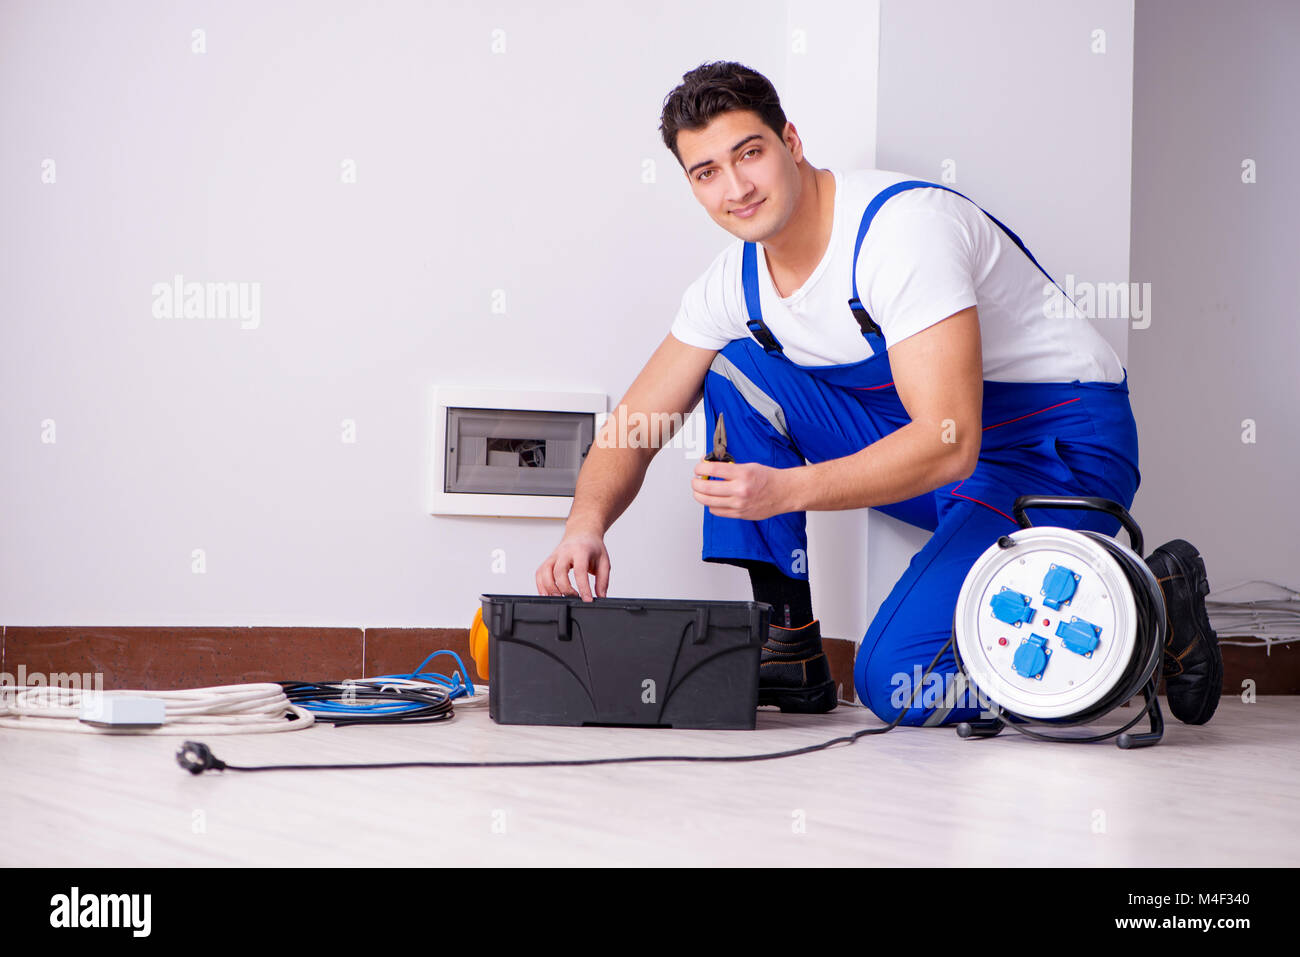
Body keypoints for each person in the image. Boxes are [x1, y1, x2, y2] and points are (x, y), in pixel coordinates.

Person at [534, 60, 1223, 727]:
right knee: (732, 368)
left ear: (791, 142)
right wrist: (584, 524)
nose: (735, 186)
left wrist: (785, 490)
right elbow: (634, 422)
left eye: (749, 153)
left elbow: (949, 441)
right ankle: (789, 644)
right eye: (706, 172)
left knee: (900, 683)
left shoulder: (900, 232)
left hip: (1055, 456)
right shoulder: (732, 283)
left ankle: (1143, 610)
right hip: (934, 447)